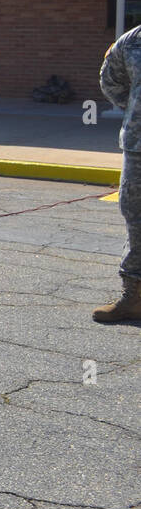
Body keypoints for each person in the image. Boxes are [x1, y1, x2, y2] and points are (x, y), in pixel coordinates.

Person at [95, 26, 141, 322]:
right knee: (136, 217)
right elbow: (110, 80)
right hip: (139, 145)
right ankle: (135, 295)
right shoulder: (133, 40)